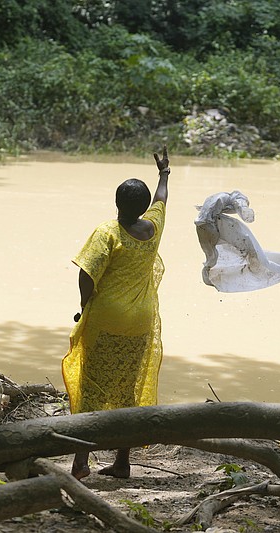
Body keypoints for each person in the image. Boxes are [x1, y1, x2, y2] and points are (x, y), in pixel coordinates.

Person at [62, 146, 171, 480]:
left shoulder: (108, 232)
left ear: (117, 203)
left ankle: (81, 462)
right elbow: (162, 199)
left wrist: (85, 305)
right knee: (127, 388)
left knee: (92, 388)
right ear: (142, 208)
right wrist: (164, 172)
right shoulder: (152, 229)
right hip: (140, 319)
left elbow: (86, 273)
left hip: (108, 317)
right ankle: (122, 462)